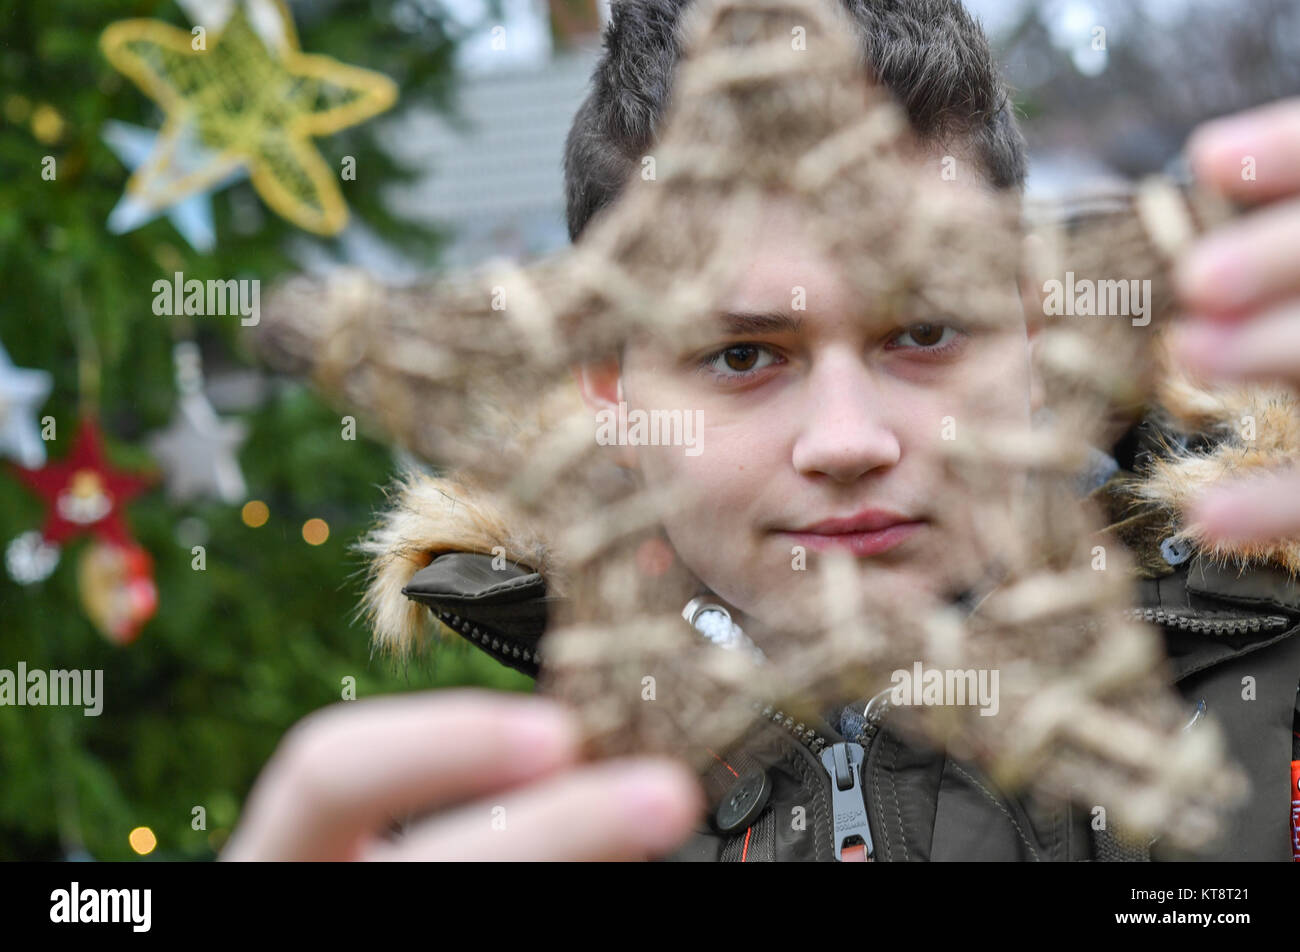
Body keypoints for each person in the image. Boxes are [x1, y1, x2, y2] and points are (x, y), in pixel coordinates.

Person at [221, 0, 1300, 861]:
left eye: (921, 330)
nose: (845, 439)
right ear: (609, 383)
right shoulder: (464, 825)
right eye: (742, 355)